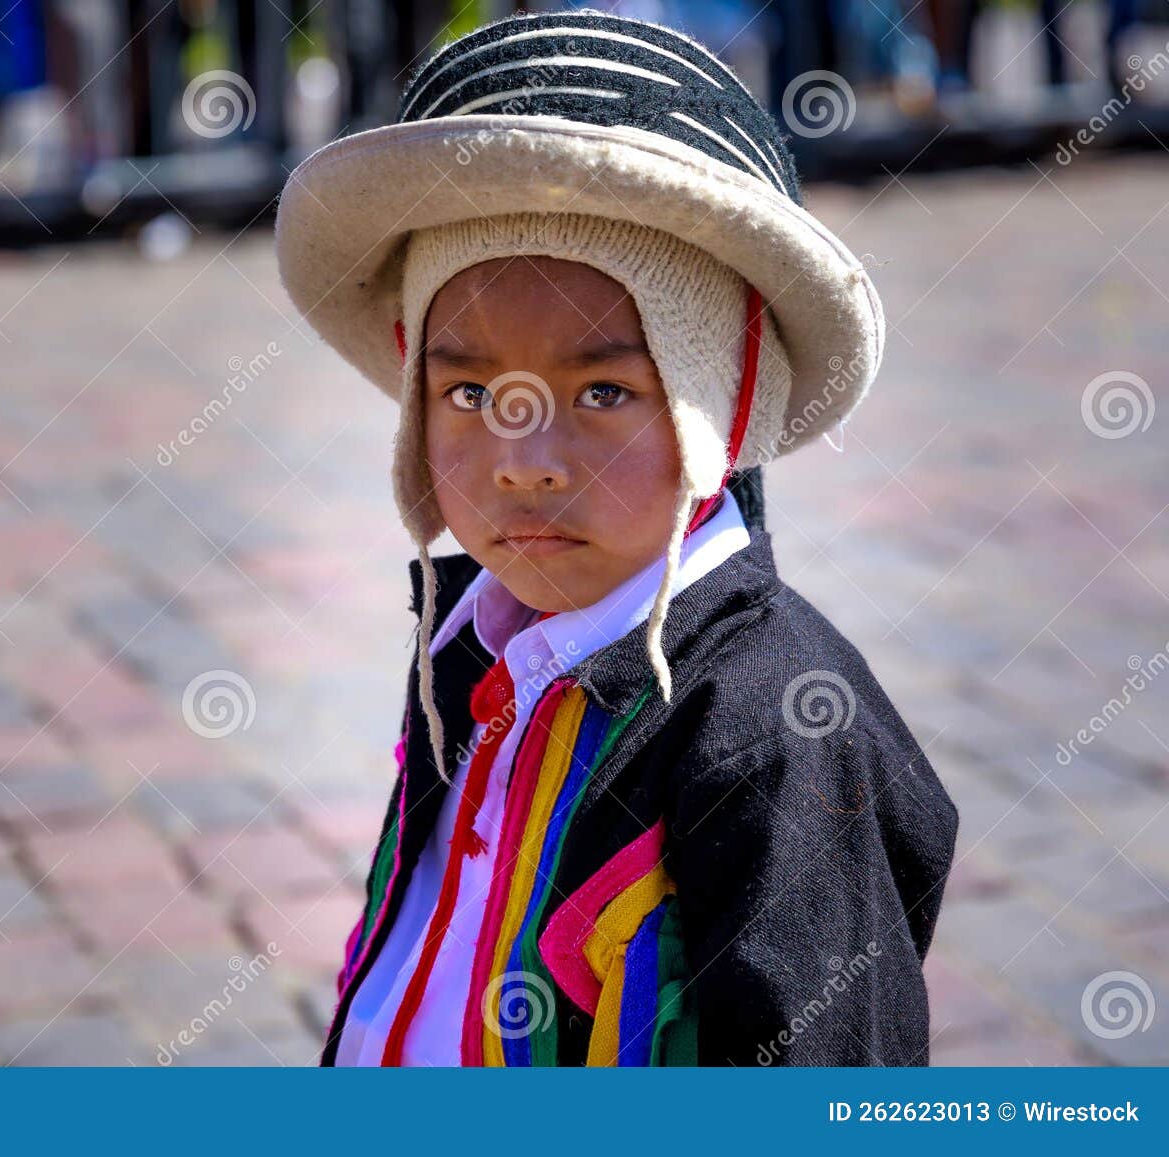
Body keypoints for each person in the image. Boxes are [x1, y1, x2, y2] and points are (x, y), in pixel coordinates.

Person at [273, 9, 959, 1067]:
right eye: (467, 389)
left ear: (720, 409)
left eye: (603, 388)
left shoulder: (774, 736)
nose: (525, 459)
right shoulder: (470, 654)